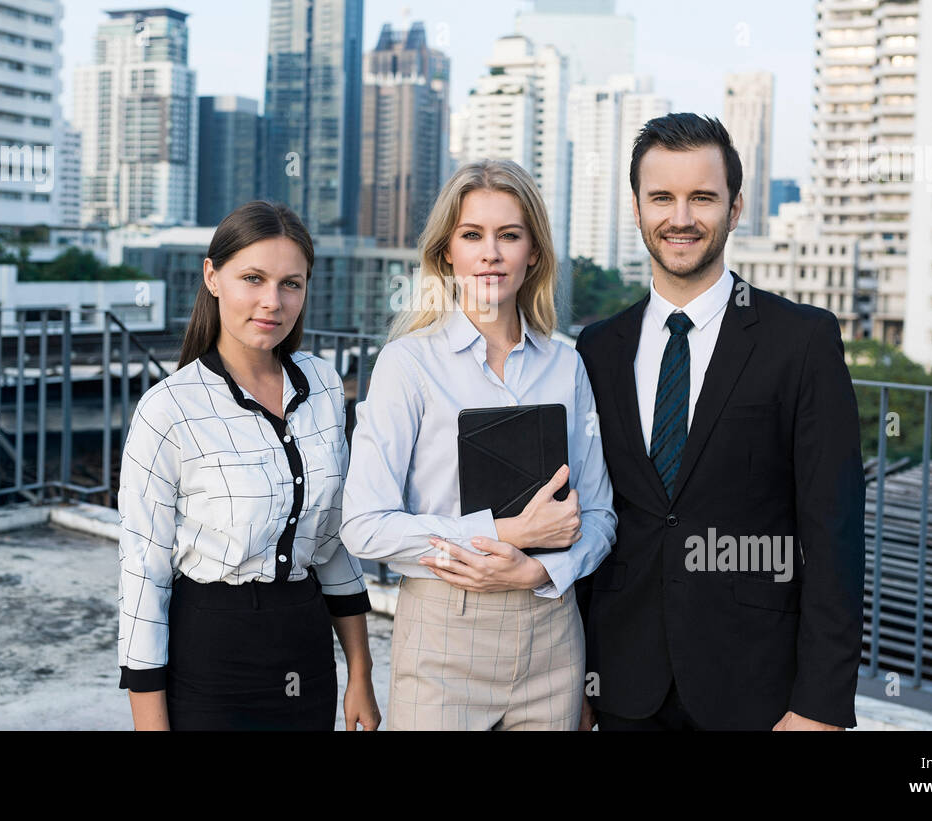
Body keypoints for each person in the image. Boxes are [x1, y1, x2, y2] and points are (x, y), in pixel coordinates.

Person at [574, 113, 864, 731]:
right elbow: (589, 523)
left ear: (734, 209)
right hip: (622, 685)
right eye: (662, 197)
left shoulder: (801, 341)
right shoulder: (595, 349)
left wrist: (820, 705)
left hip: (757, 691)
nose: (681, 217)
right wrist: (577, 677)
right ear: (636, 208)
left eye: (701, 197)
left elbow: (833, 534)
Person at [341, 159, 617, 730]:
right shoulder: (407, 364)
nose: (490, 253)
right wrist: (504, 535)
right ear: (447, 252)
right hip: (444, 638)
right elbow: (364, 525)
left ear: (533, 253)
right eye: (472, 235)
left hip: (553, 637)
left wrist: (542, 572)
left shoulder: (568, 364)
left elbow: (602, 515)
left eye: (509, 235)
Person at [116, 200, 380, 731]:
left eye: (291, 284)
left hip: (306, 653)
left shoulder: (324, 386)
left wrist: (360, 673)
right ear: (212, 276)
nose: (272, 302)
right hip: (211, 659)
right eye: (252, 278)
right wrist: (150, 725)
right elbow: (144, 578)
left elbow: (333, 544)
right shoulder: (169, 409)